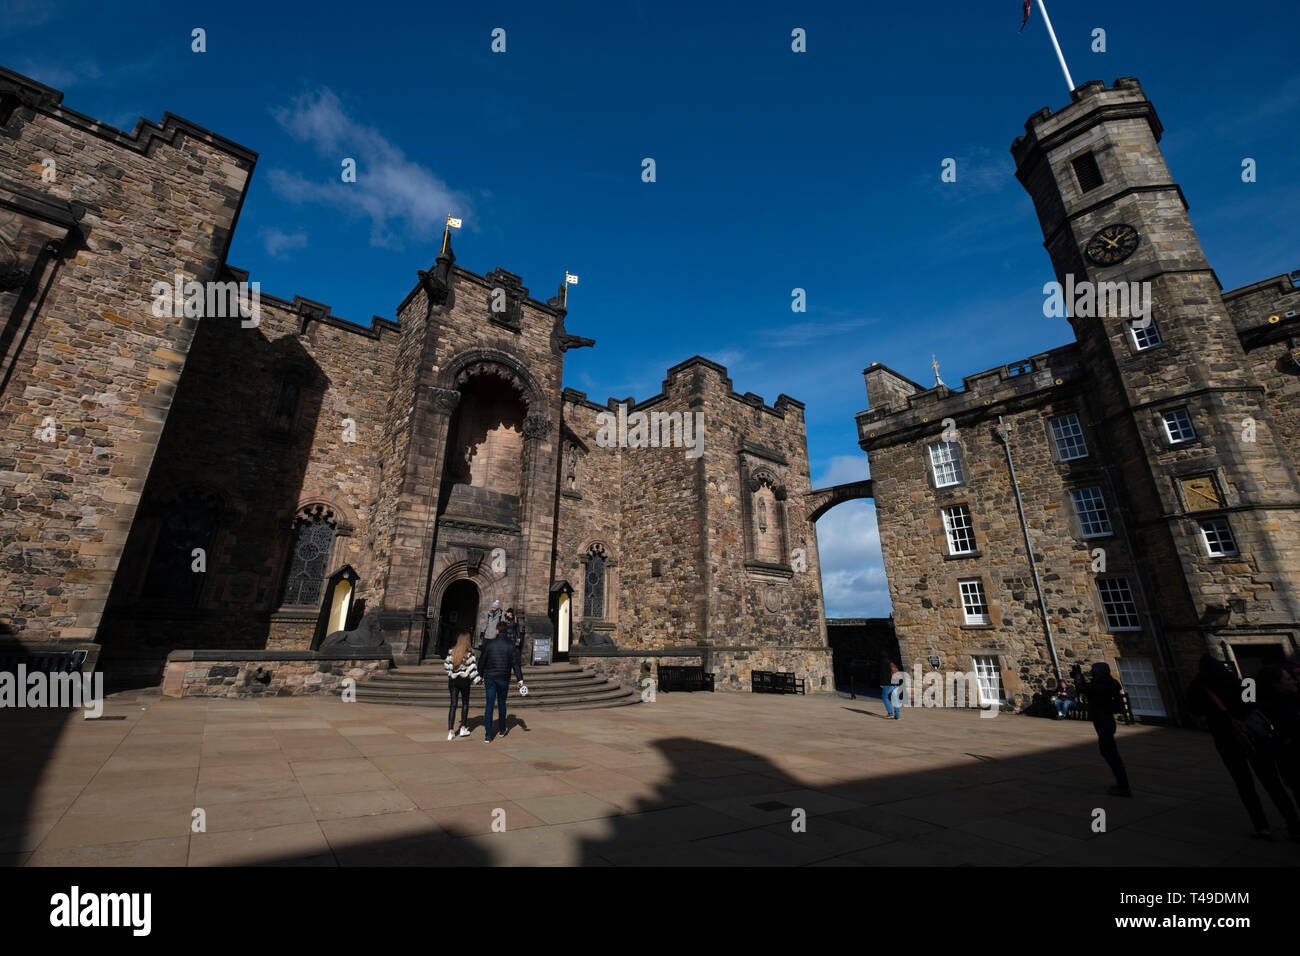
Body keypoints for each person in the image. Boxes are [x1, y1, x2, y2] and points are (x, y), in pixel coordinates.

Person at [1187, 653, 1300, 840]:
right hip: (1254, 738)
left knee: (1244, 785)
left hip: (1226, 740)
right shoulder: (1239, 682)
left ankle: (1262, 827)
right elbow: (1254, 704)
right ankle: (1293, 825)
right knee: (1272, 782)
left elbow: (1195, 711)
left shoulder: (1198, 687)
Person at [1078, 662, 1132, 797]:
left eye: (1093, 670)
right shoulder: (1108, 682)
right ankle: (1121, 783)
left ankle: (1123, 786)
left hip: (1103, 719)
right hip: (1105, 719)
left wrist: (1078, 678)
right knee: (1107, 751)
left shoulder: (1102, 684)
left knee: (1110, 753)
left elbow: (1084, 688)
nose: (1092, 672)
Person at [479, 618, 526, 743]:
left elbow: (482, 661)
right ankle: (501, 729)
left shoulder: (489, 644)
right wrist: (520, 680)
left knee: (489, 705)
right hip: (503, 678)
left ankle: (488, 735)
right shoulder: (511, 645)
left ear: (497, 631)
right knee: (501, 703)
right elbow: (516, 664)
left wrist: (479, 675)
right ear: (506, 631)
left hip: (490, 678)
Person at [443, 631, 480, 741]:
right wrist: (478, 681)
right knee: (465, 703)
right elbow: (472, 670)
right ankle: (463, 728)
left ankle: (450, 731)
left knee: (453, 704)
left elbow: (446, 666)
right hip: (464, 681)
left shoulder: (451, 652)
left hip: (453, 681)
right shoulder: (469, 653)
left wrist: (451, 673)